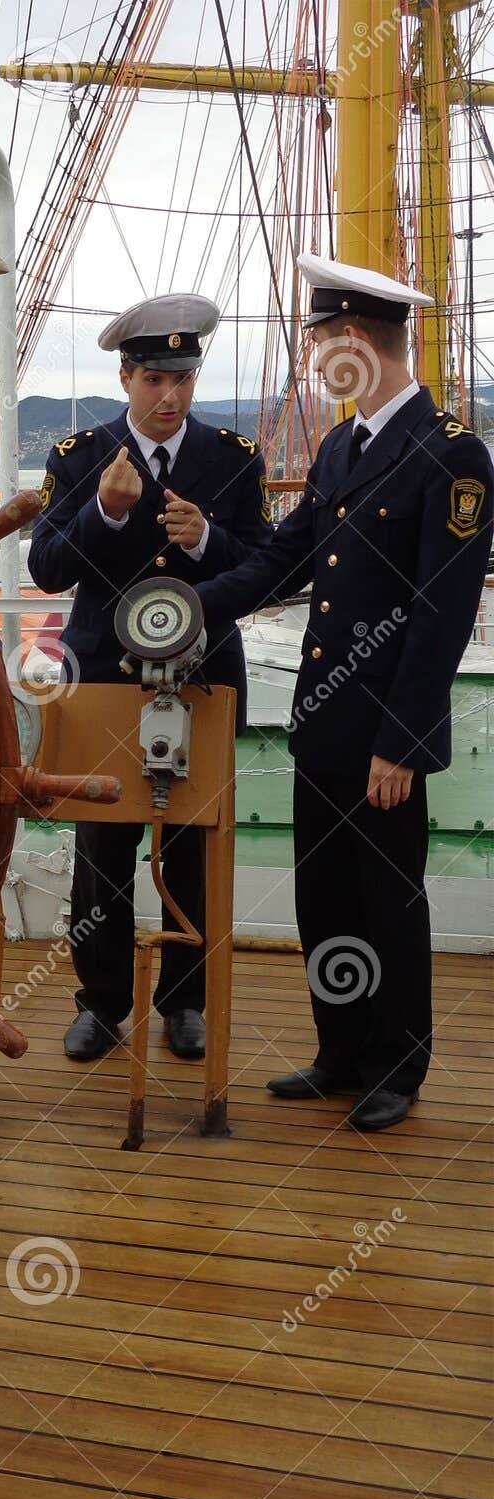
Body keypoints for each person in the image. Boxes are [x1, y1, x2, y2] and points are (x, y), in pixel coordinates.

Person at [191, 253, 493, 1131]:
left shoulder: (452, 458)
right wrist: (186, 605)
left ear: (357, 340)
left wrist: (402, 740)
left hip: (383, 736)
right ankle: (339, 1048)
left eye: (320, 341)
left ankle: (396, 1065)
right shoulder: (340, 447)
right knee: (322, 894)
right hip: (321, 723)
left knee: (387, 898)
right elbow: (284, 558)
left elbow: (442, 616)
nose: (314, 358)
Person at [28, 293, 272, 1062]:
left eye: (184, 380)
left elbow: (266, 568)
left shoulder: (234, 458)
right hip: (105, 678)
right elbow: (45, 567)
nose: (171, 397)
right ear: (127, 378)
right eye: (155, 381)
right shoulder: (79, 459)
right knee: (103, 850)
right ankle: (100, 1004)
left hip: (203, 677)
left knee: (195, 845)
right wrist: (101, 511)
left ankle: (185, 1001)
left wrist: (210, 540)